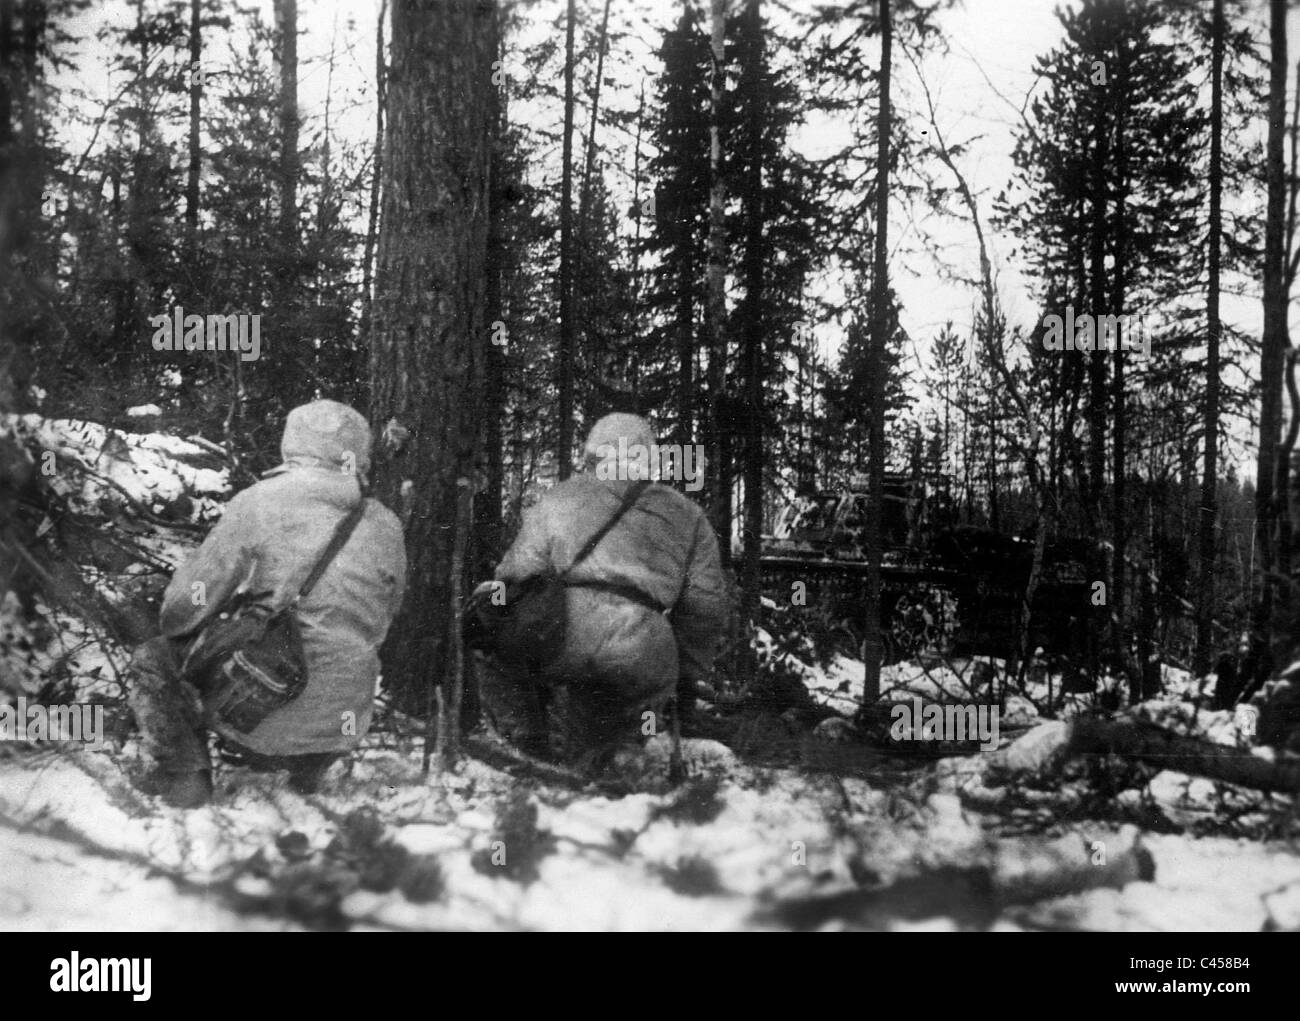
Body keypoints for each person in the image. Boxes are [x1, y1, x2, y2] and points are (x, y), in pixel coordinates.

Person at [128, 400, 406, 808]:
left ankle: (184, 779)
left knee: (153, 658)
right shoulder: (385, 522)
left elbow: (186, 607)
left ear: (292, 442)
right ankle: (309, 767)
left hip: (266, 703)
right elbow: (387, 613)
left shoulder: (259, 502)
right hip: (345, 720)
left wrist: (209, 626)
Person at [481, 413, 727, 768]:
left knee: (490, 649)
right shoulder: (687, 514)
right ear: (648, 457)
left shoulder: (561, 498)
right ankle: (635, 754)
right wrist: (682, 674)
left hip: (567, 632)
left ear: (594, 453)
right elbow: (705, 607)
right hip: (647, 641)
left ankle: (528, 749)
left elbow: (515, 576)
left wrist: (496, 606)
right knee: (632, 733)